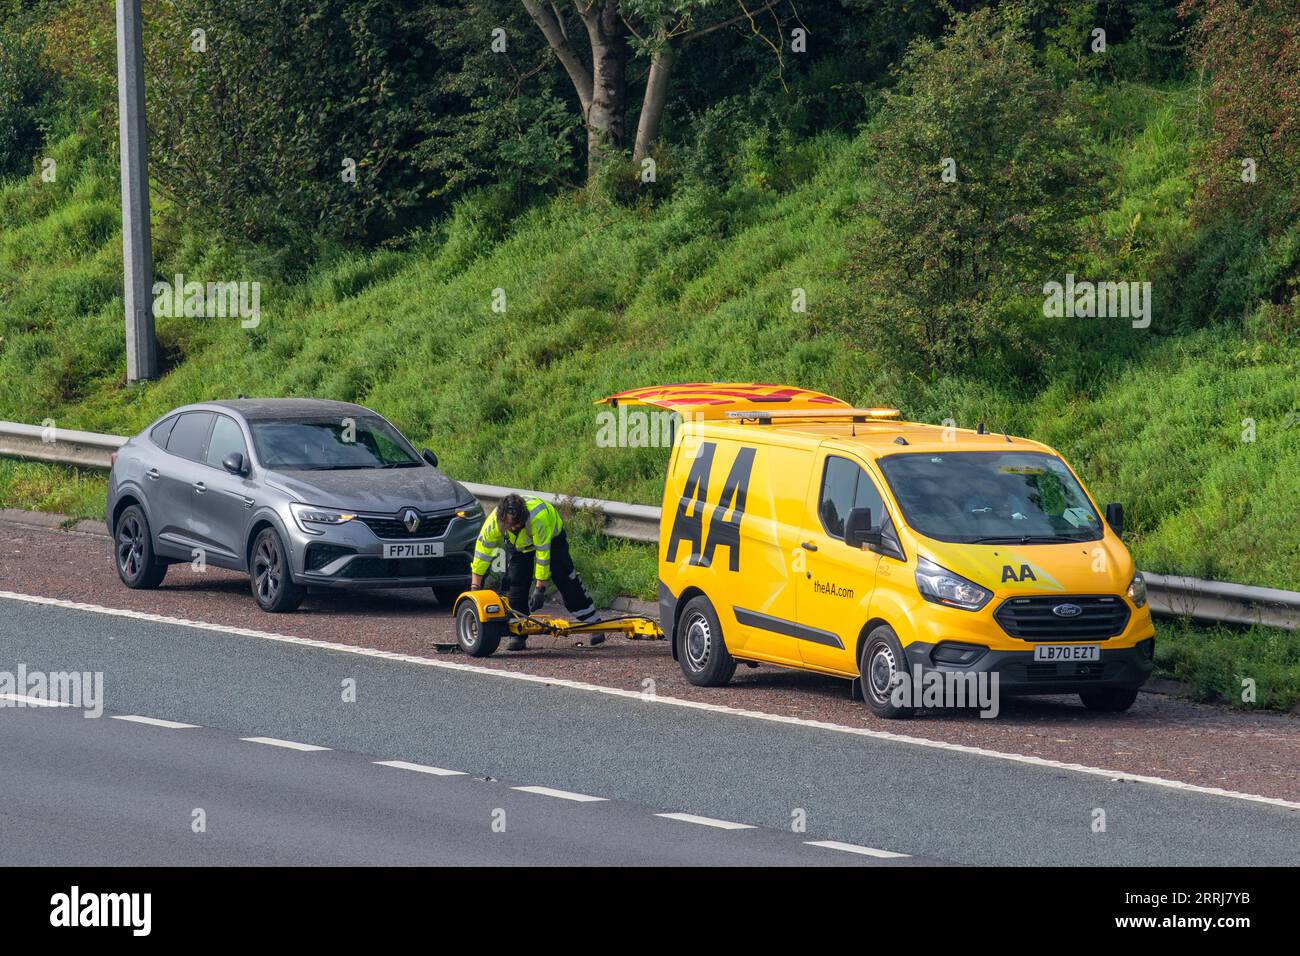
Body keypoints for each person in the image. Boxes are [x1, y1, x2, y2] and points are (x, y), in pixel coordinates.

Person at [470, 494, 598, 650]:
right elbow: (482, 553)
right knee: (515, 583)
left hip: (552, 538)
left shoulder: (538, 518)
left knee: (565, 578)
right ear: (502, 519)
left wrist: (539, 589)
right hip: (519, 545)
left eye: (518, 524)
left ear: (524, 517)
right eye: (510, 525)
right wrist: (475, 589)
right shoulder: (494, 522)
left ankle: (594, 623)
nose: (514, 528)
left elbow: (543, 557)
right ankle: (517, 635)